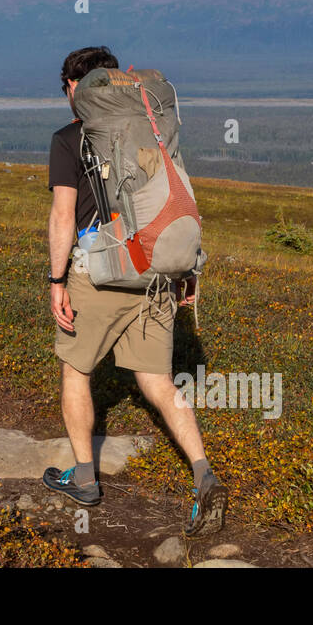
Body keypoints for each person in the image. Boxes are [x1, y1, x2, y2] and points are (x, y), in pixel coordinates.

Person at [42, 46, 226, 536]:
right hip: (155, 274)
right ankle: (203, 473)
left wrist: (57, 281)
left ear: (74, 89)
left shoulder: (69, 140)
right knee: (158, 384)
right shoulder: (152, 126)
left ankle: (84, 479)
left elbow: (63, 217)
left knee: (76, 371)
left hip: (100, 274)